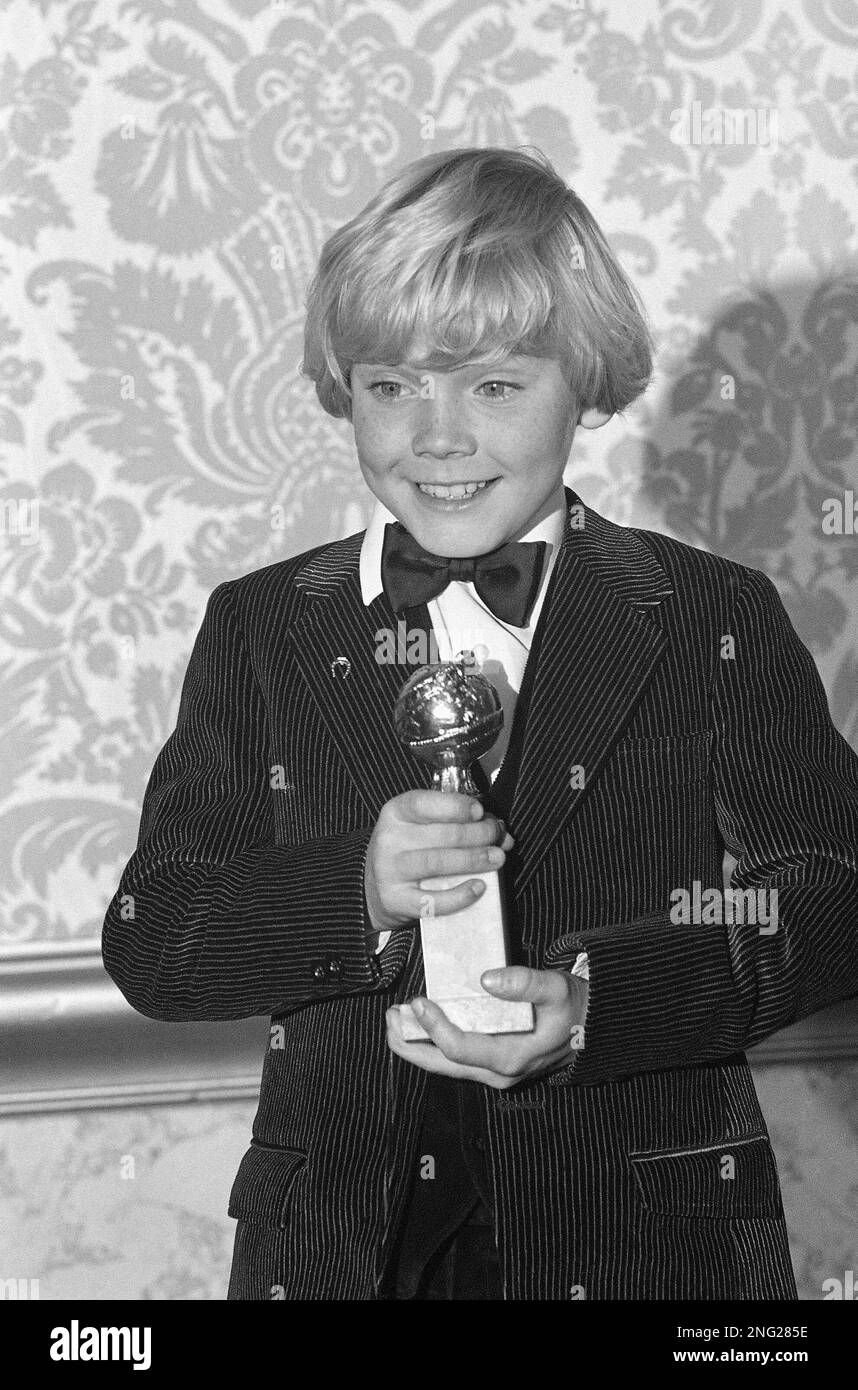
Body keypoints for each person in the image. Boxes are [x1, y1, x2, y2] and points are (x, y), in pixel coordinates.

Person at [102, 146, 858, 1301]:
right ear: (341, 388)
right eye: (389, 385)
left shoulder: (709, 614)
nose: (436, 436)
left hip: (643, 1244)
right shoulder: (261, 627)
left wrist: (602, 999)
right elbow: (156, 934)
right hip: (341, 1247)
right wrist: (352, 885)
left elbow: (832, 888)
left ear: (586, 380)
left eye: (496, 386)